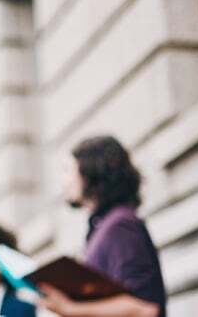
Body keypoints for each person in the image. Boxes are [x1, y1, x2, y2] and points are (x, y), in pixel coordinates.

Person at [38, 136, 166, 317]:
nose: (63, 182)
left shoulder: (121, 225)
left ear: (91, 171)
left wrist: (70, 309)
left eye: (67, 170)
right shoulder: (105, 226)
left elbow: (145, 309)